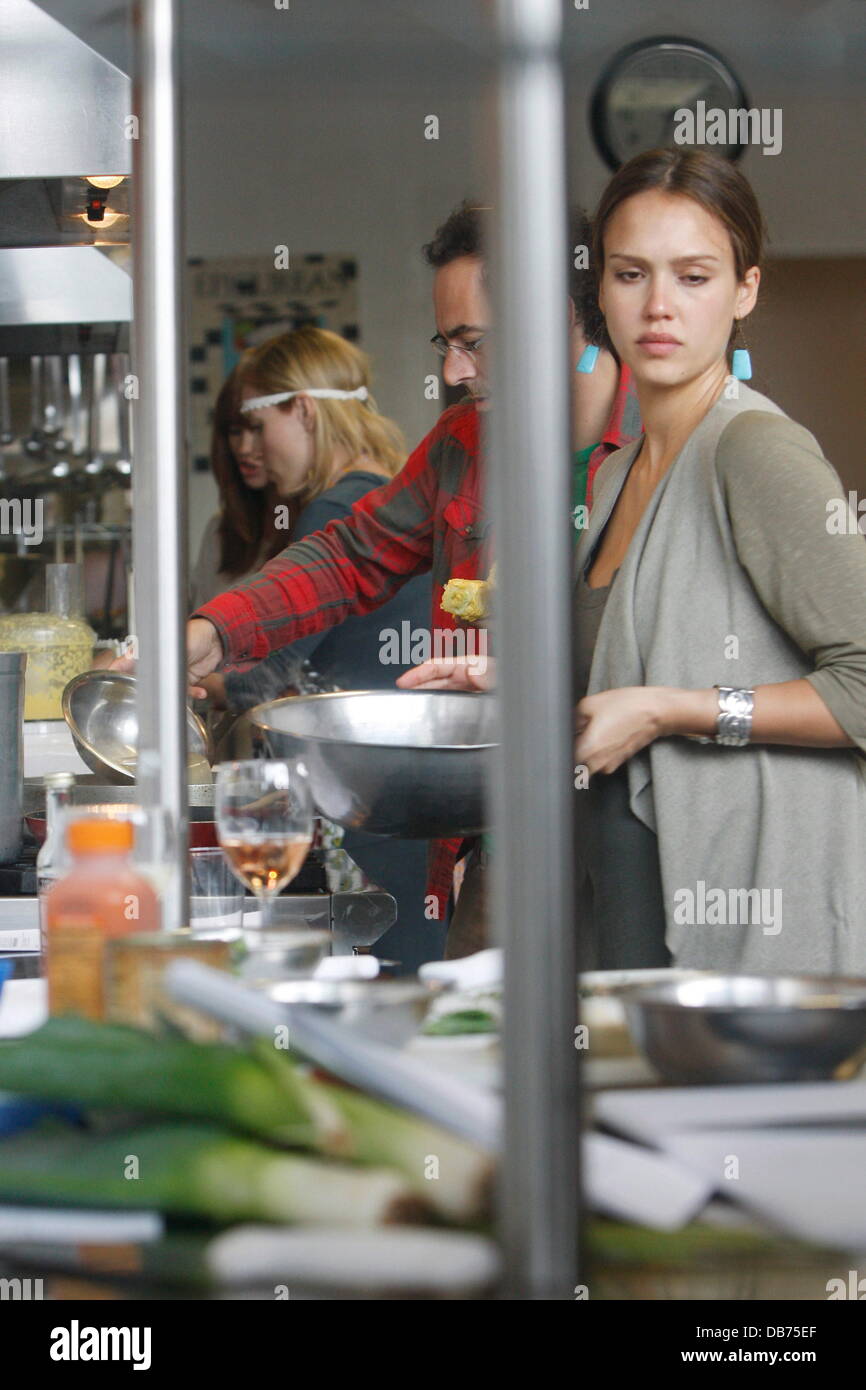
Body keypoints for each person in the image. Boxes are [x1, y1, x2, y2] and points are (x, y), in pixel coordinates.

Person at [182, 201, 641, 944]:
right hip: (494, 850)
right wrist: (216, 629)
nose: (453, 372)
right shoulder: (467, 441)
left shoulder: (664, 441)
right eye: (447, 344)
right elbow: (350, 553)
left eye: (475, 343)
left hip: (625, 842)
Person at [570, 146, 866, 973]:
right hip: (637, 904)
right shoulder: (623, 467)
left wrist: (678, 710)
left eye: (693, 277)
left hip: (762, 931)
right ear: (601, 288)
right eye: (631, 274)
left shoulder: (755, 451)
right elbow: (625, 674)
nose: (659, 306)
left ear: (746, 290)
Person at [200, 327, 437, 973]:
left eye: (257, 423)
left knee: (388, 976)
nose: (251, 449)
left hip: (365, 794)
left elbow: (269, 675)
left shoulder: (331, 510)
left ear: (302, 409)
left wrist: (195, 682)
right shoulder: (379, 494)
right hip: (414, 789)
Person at [189, 366, 288, 610]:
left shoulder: (317, 519)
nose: (244, 448)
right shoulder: (220, 531)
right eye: (235, 431)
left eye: (257, 429)